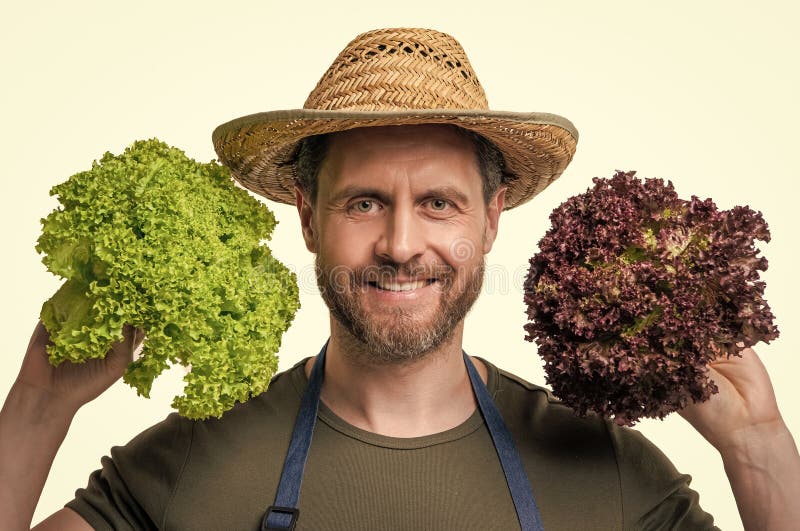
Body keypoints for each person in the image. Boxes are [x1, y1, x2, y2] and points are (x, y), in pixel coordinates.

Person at [1, 27, 798, 531]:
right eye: (366, 201)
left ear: (492, 216)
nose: (401, 242)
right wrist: (37, 406)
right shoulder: (189, 463)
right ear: (309, 217)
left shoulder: (611, 475)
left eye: (440, 203)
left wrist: (759, 447)